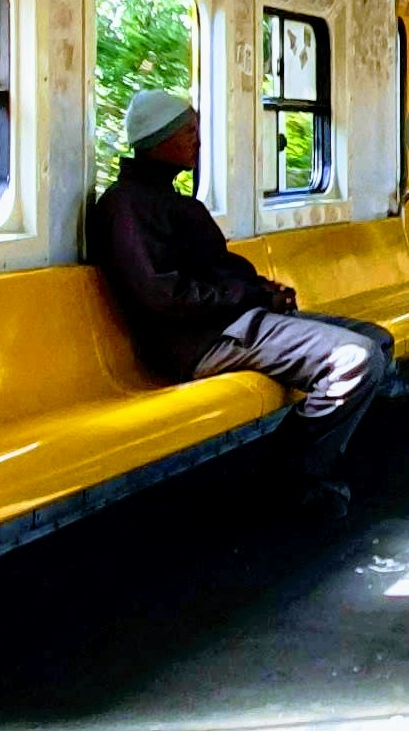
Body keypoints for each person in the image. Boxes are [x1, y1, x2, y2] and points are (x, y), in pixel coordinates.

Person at [86, 86, 392, 509]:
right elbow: (162, 296)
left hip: (234, 321)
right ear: (159, 142)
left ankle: (325, 455)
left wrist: (262, 292)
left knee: (377, 340)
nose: (197, 140)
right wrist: (248, 297)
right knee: (356, 360)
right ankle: (292, 471)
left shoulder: (168, 200)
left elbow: (214, 271)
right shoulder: (125, 208)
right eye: (188, 131)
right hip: (202, 340)